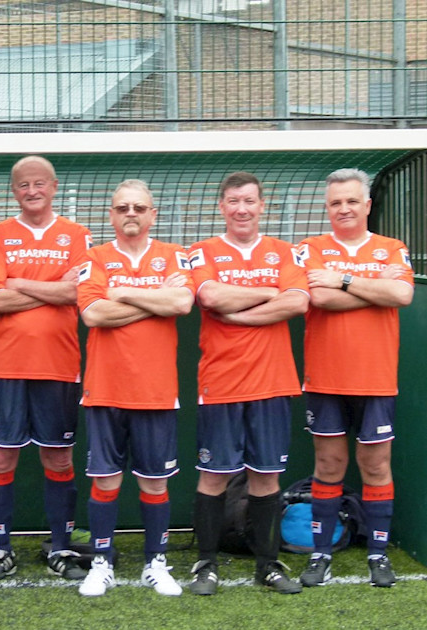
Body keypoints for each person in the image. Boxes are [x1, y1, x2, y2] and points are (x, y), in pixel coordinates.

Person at [186, 171, 308, 595]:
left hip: (273, 383)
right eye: (234, 201)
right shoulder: (201, 251)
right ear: (222, 206)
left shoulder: (285, 252)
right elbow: (211, 297)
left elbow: (298, 300)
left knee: (266, 478)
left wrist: (240, 314)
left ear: (262, 205)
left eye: (249, 201)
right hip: (220, 383)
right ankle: (206, 564)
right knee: (213, 476)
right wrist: (271, 292)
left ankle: (267, 565)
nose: (242, 209)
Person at [296, 168, 413, 588]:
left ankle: (378, 555)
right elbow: (319, 297)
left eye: (350, 201)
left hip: (376, 378)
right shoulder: (310, 248)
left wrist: (344, 279)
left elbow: (402, 294)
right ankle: (321, 554)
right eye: (335, 202)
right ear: (327, 208)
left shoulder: (392, 248)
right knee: (329, 464)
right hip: (325, 378)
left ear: (366, 205)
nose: (343, 208)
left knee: (375, 465)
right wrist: (374, 287)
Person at [75, 180, 193, 597]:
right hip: (105, 388)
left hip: (156, 391)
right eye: (123, 207)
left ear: (152, 214)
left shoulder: (174, 254)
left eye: (139, 208)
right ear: (111, 214)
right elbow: (93, 313)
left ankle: (155, 563)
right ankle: (101, 563)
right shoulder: (94, 257)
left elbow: (182, 303)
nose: (131, 214)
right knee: (106, 481)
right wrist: (156, 298)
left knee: (155, 483)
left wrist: (123, 291)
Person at [0, 155, 92, 580]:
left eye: (39, 183)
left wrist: (20, 283)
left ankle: (60, 548)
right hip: (6, 367)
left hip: (58, 366)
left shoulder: (77, 234)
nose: (32, 191)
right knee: (0, 457)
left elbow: (78, 293)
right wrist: (54, 286)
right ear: (14, 191)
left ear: (54, 186)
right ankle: (2, 550)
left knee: (59, 459)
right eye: (24, 185)